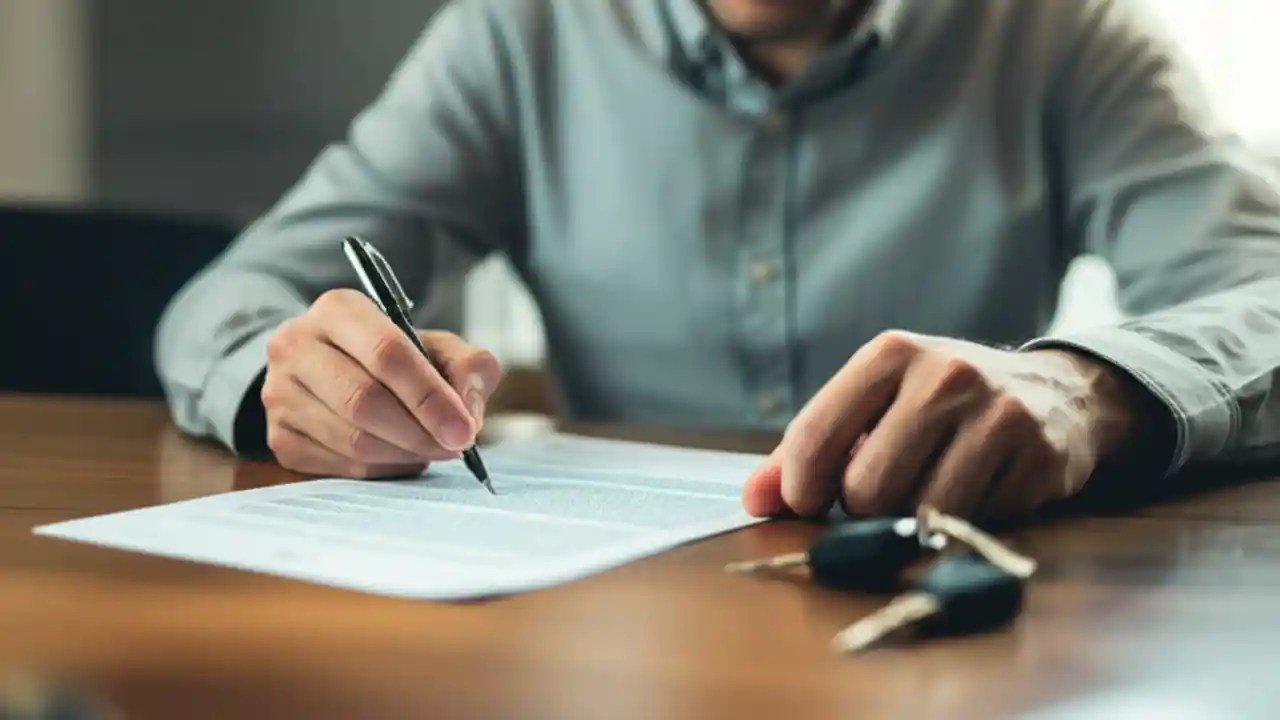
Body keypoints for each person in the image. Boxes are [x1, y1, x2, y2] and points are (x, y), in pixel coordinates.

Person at [157, 0, 1280, 521]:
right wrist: (287, 381)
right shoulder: (519, 34)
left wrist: (1087, 389)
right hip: (611, 627)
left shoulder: (1061, 34)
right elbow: (231, 301)